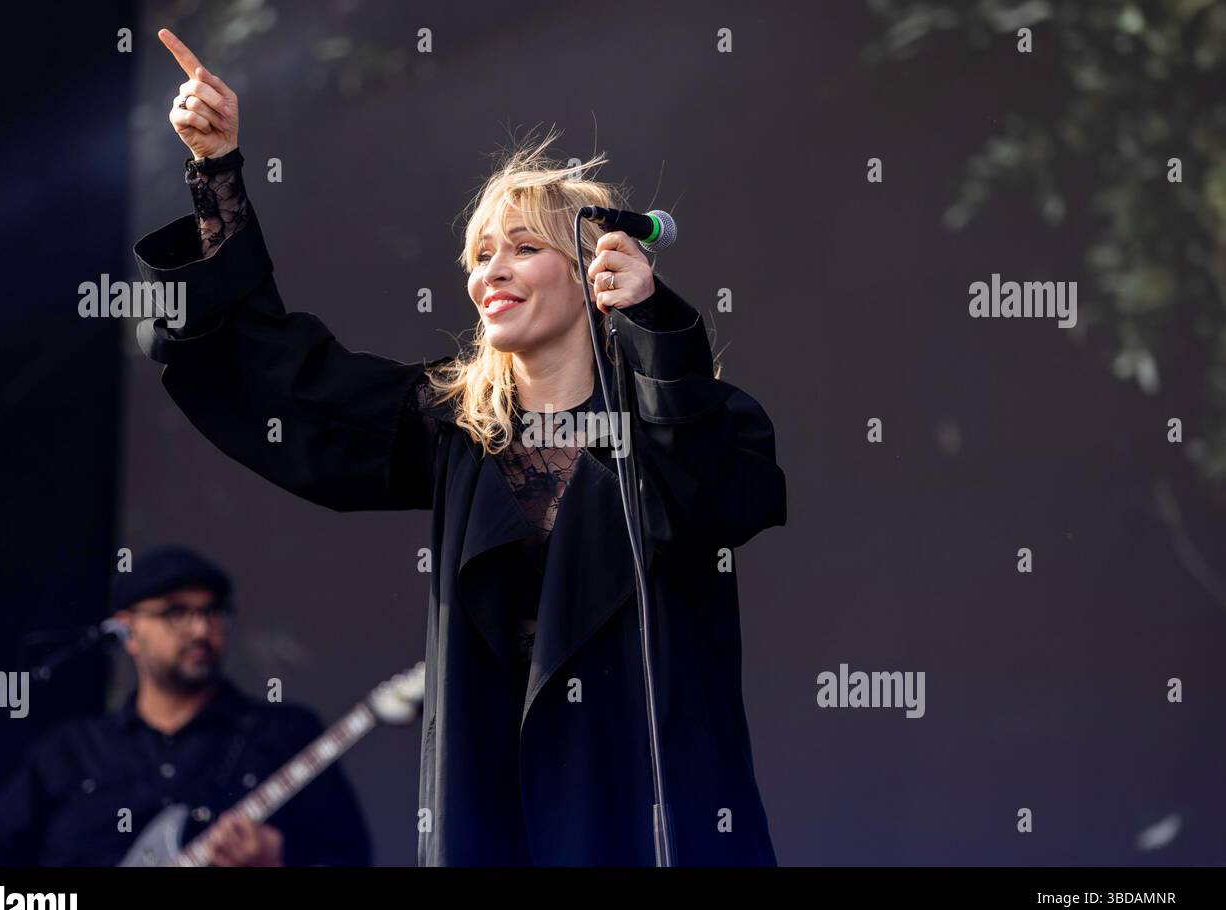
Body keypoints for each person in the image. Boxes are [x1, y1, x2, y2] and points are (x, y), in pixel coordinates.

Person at [135, 29, 786, 866]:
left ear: (596, 270)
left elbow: (707, 493)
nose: (491, 272)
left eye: (523, 247)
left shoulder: (688, 414)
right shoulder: (453, 427)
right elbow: (285, 379)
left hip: (644, 811)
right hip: (495, 814)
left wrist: (658, 330)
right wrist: (217, 168)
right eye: (480, 254)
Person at [0, 547, 373, 867]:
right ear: (129, 632)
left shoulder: (283, 734)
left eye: (211, 611)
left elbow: (351, 859)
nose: (200, 628)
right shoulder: (68, 754)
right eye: (176, 612)